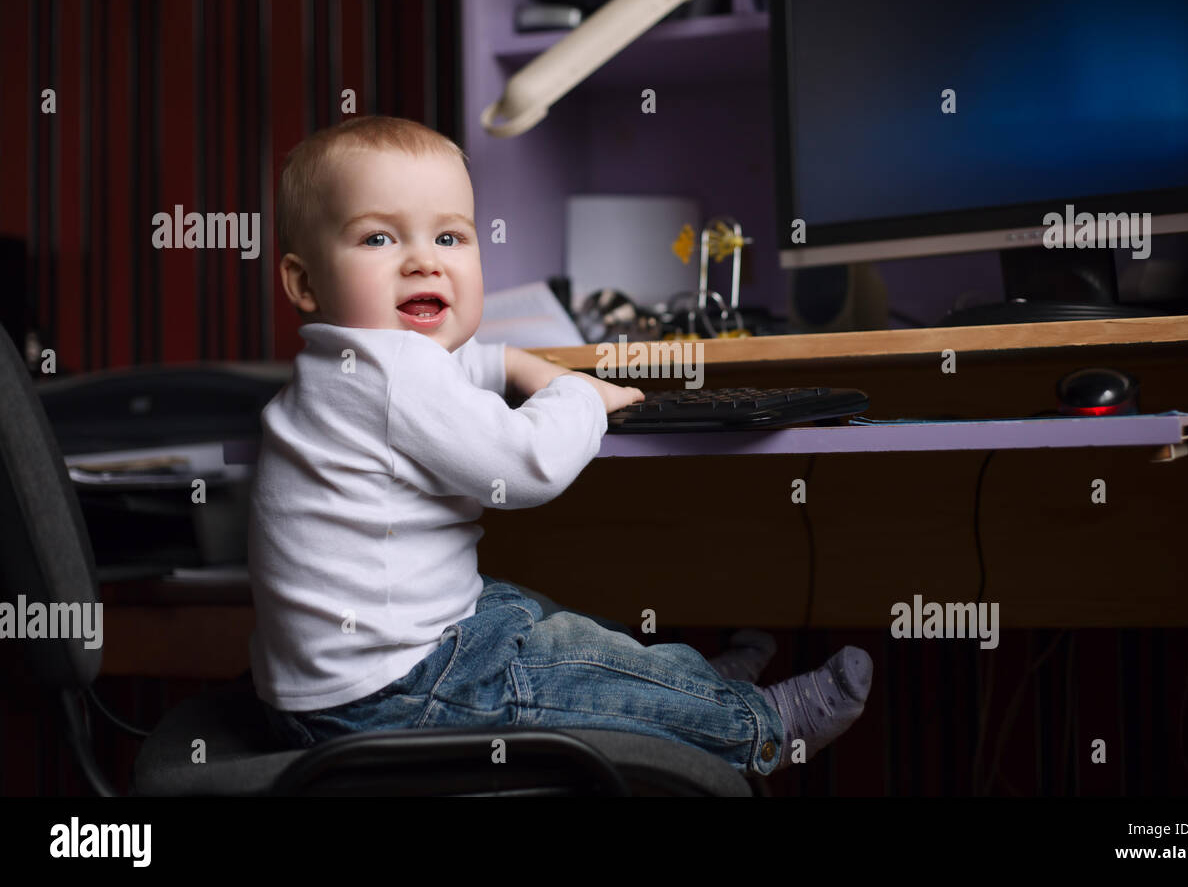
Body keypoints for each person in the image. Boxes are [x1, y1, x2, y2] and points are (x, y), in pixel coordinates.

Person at [247, 115, 872, 777]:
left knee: (527, 610)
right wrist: (580, 396)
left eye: (450, 235)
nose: (424, 259)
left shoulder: (339, 367)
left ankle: (682, 688)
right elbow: (527, 466)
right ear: (305, 282)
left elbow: (448, 374)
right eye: (378, 236)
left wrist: (514, 363)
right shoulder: (394, 371)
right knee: (565, 654)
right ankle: (756, 726)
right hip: (399, 692)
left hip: (326, 691)